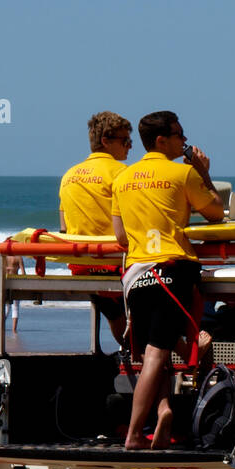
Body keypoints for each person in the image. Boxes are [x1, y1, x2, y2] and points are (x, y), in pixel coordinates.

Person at [112, 111, 224, 449]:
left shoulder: (122, 179)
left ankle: (162, 410)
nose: (184, 141)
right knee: (160, 353)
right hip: (172, 270)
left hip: (136, 274)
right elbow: (217, 212)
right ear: (162, 140)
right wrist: (204, 171)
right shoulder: (183, 173)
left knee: (150, 354)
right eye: (178, 135)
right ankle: (134, 435)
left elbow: (120, 237)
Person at [59, 111, 134, 344]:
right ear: (105, 141)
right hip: (116, 265)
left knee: (115, 314)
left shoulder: (68, 175)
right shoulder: (122, 173)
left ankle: (133, 354)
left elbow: (64, 228)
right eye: (125, 141)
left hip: (81, 265)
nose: (130, 147)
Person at [3, 252, 26, 332]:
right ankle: (14, 329)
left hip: (6, 282)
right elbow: (23, 274)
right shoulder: (19, 257)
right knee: (15, 308)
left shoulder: (5, 257)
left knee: (6, 307)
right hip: (16, 283)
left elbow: (2, 271)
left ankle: (2, 326)